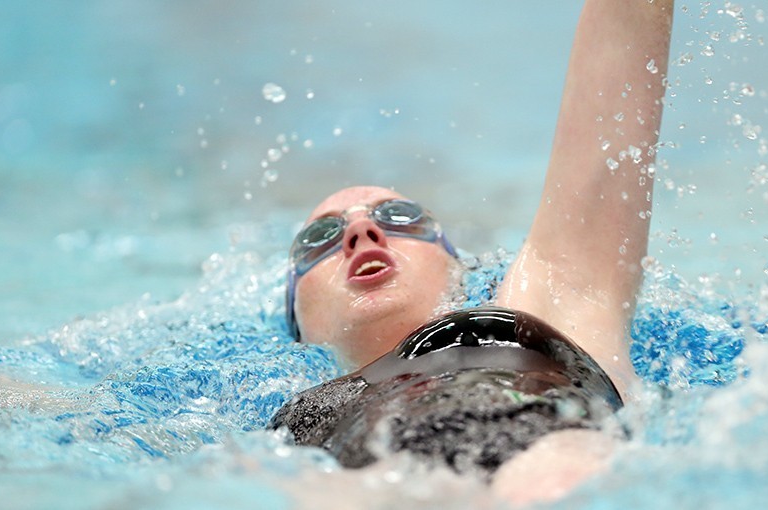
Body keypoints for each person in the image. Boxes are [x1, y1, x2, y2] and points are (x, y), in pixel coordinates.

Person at [271, 0, 674, 503]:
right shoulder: (287, 433)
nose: (362, 235)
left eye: (399, 218)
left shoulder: (546, 307)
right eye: (320, 238)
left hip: (543, 451)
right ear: (297, 323)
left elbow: (622, 37)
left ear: (457, 270)